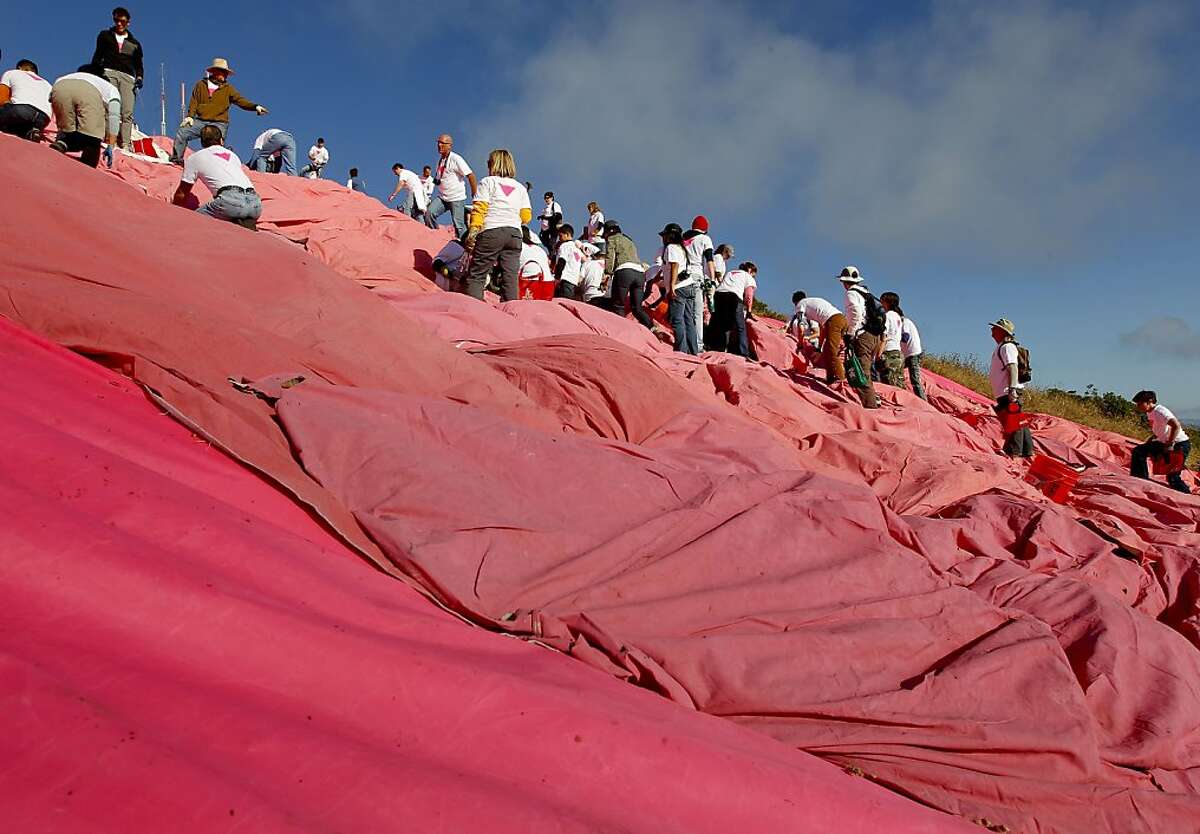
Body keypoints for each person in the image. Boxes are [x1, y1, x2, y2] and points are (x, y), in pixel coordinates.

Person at [462, 148, 531, 301]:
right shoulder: (520, 188)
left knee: (477, 275)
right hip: (514, 234)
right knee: (510, 278)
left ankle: (473, 312)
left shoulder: (487, 182)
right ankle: (511, 313)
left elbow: (480, 209)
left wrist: (473, 231)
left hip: (491, 231)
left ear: (493, 164)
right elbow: (526, 216)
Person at [170, 59, 267, 165]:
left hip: (219, 123)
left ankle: (223, 162)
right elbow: (194, 101)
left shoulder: (228, 89)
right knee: (182, 132)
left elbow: (241, 101)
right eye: (223, 72)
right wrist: (190, 117)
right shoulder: (200, 85)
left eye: (226, 73)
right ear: (215, 72)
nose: (225, 75)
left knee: (216, 146)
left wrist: (255, 107)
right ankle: (176, 159)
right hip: (201, 121)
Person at [171, 124, 261, 228]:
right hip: (255, 204)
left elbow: (182, 192)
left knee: (193, 220)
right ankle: (242, 220)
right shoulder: (233, 156)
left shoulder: (195, 158)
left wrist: (174, 212)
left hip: (230, 202)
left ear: (202, 142)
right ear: (221, 140)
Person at [90, 7, 143, 149]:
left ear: (128, 23)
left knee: (127, 111)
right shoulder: (105, 35)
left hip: (128, 77)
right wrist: (94, 72)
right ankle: (109, 139)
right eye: (116, 20)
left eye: (122, 21)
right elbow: (98, 54)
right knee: (110, 106)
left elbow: (138, 64)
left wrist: (139, 77)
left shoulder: (135, 44)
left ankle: (125, 143)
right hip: (108, 72)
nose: (119, 24)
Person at [48, 66, 120, 168]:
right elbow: (114, 117)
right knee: (93, 138)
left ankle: (62, 143)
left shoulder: (68, 76)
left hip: (60, 87)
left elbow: (50, 99)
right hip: (88, 93)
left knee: (68, 129)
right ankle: (87, 168)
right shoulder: (110, 88)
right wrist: (111, 144)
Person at [988, 317, 1035, 458]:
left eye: (995, 328)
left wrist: (1012, 389)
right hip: (1006, 391)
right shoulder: (1003, 346)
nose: (992, 330)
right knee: (1019, 422)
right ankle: (1028, 452)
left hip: (1008, 391)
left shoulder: (1007, 347)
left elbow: (1012, 367)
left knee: (1013, 422)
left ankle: (1013, 453)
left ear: (1002, 331)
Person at [1130, 391, 1191, 494]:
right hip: (1164, 442)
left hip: (1178, 444)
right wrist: (1152, 438)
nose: (1138, 406)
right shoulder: (1150, 413)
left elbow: (1176, 426)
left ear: (1149, 402)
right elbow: (1161, 429)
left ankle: (1187, 496)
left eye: (1140, 403)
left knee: (1173, 476)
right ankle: (1140, 480)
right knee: (1139, 451)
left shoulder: (1160, 411)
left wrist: (1170, 444)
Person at [840, 266, 881, 408]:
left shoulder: (851, 293)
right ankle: (873, 401)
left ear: (844, 282)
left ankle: (871, 409)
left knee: (862, 374)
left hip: (863, 336)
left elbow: (855, 313)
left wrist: (850, 333)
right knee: (867, 372)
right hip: (875, 336)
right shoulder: (865, 292)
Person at [424, 134, 476, 237]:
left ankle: (465, 248)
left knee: (459, 226)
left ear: (449, 145)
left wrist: (475, 193)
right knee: (429, 214)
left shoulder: (456, 159)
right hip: (443, 197)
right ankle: (436, 237)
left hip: (456, 198)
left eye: (442, 143)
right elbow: (440, 178)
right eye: (438, 142)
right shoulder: (440, 161)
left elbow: (471, 175)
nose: (439, 145)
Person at [603, 220, 652, 329]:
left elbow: (610, 257)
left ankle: (621, 330)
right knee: (637, 308)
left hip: (624, 271)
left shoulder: (612, 239)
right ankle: (652, 328)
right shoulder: (629, 240)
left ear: (607, 232)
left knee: (618, 305)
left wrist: (607, 273)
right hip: (639, 273)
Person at [658, 223, 698, 354]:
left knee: (677, 320)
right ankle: (693, 351)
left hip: (679, 287)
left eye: (664, 235)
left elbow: (674, 267)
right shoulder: (682, 249)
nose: (662, 238)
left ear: (670, 236)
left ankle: (681, 350)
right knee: (689, 320)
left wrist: (672, 286)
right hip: (689, 286)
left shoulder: (671, 247)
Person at [791, 291, 847, 383]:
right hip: (841, 319)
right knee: (827, 351)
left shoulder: (800, 305)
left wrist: (800, 345)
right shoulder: (814, 302)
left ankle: (840, 381)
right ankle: (830, 379)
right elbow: (822, 328)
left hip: (834, 321)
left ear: (795, 302)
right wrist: (819, 347)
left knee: (831, 351)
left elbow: (800, 327)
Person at [682, 216, 716, 351]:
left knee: (686, 312)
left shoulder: (684, 240)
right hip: (696, 276)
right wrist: (712, 280)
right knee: (697, 312)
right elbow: (709, 260)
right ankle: (698, 345)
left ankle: (685, 343)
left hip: (683, 277)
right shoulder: (705, 239)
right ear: (705, 229)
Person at [712, 261, 758, 356]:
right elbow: (749, 295)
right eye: (754, 274)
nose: (754, 276)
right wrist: (749, 311)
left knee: (723, 324)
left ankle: (719, 348)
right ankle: (743, 353)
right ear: (750, 270)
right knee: (740, 326)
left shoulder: (730, 272)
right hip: (733, 297)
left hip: (718, 295)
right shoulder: (748, 276)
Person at [0, 60, 52, 142]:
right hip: (43, 118)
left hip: (22, 111)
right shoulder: (47, 84)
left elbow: (2, 98)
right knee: (19, 126)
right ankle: (32, 131)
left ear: (19, 68)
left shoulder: (12, 73)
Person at [894, 297, 926, 400]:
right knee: (897, 372)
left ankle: (923, 401)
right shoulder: (903, 322)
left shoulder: (904, 322)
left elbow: (905, 337)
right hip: (908, 354)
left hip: (913, 354)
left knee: (915, 379)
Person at [877, 292, 907, 389]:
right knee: (899, 383)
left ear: (886, 302)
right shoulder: (898, 316)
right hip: (898, 352)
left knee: (889, 383)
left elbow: (884, 336)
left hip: (889, 352)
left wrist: (879, 353)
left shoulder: (887, 316)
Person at [553, 224, 589, 299]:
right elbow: (586, 260)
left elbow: (561, 261)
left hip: (564, 281)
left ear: (567, 234)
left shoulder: (564, 246)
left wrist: (556, 278)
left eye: (560, 236)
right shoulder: (576, 249)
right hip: (574, 282)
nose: (559, 238)